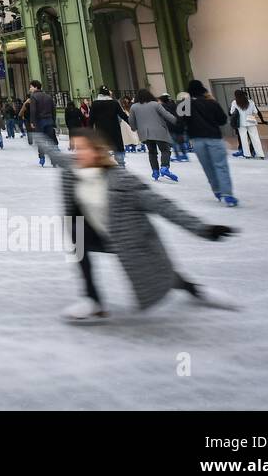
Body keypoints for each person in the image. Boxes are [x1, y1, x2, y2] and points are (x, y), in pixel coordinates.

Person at [39, 131, 238, 322]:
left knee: (162, 273)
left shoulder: (123, 181)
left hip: (130, 238)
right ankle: (92, 300)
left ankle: (196, 290)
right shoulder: (73, 169)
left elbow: (162, 206)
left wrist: (203, 229)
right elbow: (55, 154)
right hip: (97, 235)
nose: (78, 153)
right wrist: (37, 136)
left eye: (84, 149)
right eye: (76, 148)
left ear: (97, 151)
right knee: (78, 239)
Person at [178, 80, 239, 206]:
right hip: (214, 138)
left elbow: (180, 121)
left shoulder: (186, 104)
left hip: (197, 140)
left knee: (208, 167)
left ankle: (217, 191)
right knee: (220, 166)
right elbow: (222, 120)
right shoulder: (211, 103)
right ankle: (228, 195)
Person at [129, 88, 179, 182]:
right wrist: (177, 121)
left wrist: (134, 128)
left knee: (152, 152)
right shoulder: (155, 104)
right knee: (165, 150)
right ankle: (164, 167)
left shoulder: (134, 107)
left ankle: (155, 171)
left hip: (145, 133)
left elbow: (131, 120)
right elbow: (166, 115)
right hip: (159, 131)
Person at [88, 87, 128, 166]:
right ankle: (121, 166)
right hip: (114, 131)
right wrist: (133, 124)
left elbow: (91, 119)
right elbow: (123, 115)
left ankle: (105, 166)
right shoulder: (114, 103)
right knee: (118, 150)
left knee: (102, 150)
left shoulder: (95, 103)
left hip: (101, 132)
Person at [23, 80, 57, 166]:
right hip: (49, 120)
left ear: (35, 87)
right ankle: (54, 160)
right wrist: (53, 120)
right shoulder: (48, 96)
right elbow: (53, 110)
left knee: (41, 140)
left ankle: (42, 158)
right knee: (51, 140)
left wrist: (32, 122)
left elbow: (33, 110)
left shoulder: (34, 97)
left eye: (31, 87)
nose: (30, 89)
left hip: (39, 121)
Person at [229, 89, 266, 160]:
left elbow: (231, 112)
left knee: (244, 139)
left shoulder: (234, 102)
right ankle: (261, 154)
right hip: (251, 121)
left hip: (241, 122)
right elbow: (255, 111)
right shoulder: (251, 102)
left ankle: (247, 154)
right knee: (256, 138)